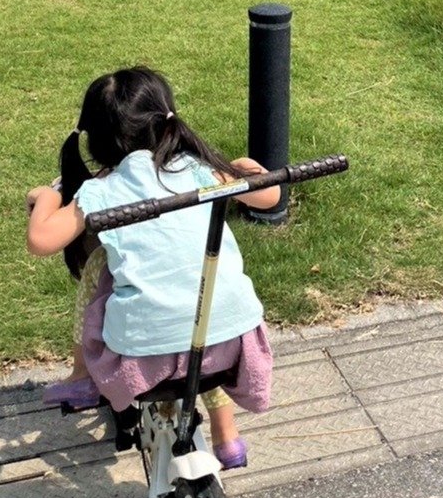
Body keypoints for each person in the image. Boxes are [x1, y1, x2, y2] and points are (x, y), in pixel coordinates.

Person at [26, 67, 280, 470]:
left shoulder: (100, 191)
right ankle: (226, 435)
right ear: (168, 123)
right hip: (234, 344)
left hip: (144, 361)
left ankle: (82, 376)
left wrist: (44, 197)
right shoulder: (197, 170)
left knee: (101, 275)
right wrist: (245, 166)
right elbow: (269, 195)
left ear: (95, 139)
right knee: (201, 305)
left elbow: (41, 240)